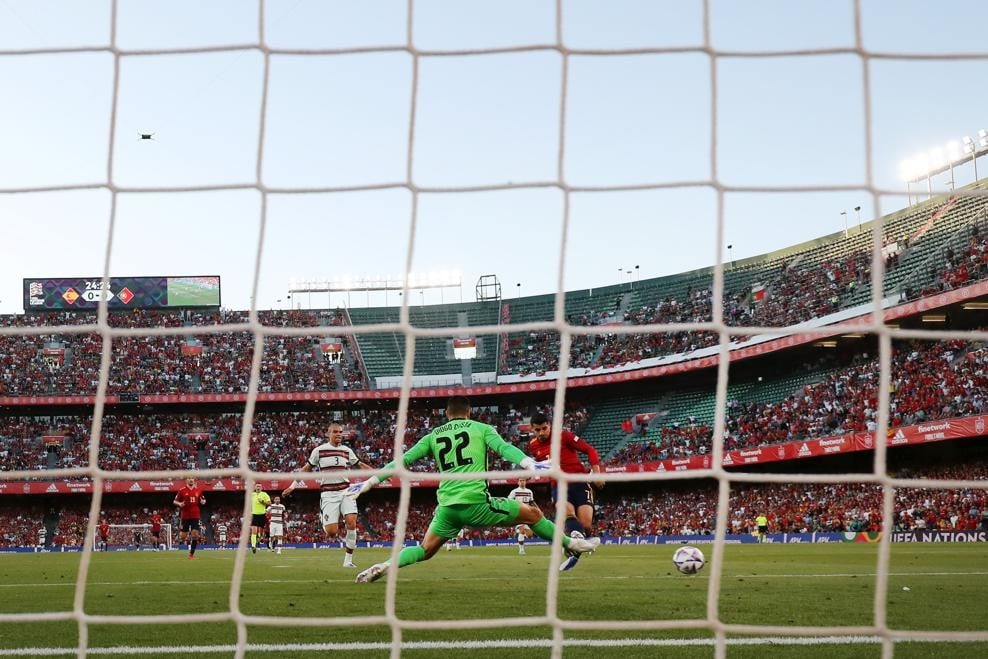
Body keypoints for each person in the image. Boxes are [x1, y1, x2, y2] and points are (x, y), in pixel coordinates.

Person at [348, 396, 600, 584]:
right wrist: (528, 462)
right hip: (476, 502)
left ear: (447, 414)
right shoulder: (482, 429)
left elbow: (401, 462)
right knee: (533, 515)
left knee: (425, 550)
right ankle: (571, 544)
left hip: (446, 507)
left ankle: (385, 565)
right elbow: (503, 448)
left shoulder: (433, 436)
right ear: (469, 412)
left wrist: (370, 481)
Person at [283, 422, 373, 568]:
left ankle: (348, 560)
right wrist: (293, 485)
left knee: (351, 522)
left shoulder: (346, 450)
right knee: (332, 532)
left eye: (340, 432)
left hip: (346, 491)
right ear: (328, 434)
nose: (339, 434)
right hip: (328, 494)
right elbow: (306, 469)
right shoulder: (319, 451)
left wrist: (379, 474)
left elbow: (360, 465)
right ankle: (324, 516)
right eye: (335, 432)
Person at [527, 412, 603, 571]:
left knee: (586, 524)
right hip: (559, 485)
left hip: (580, 482)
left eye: (544, 428)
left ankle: (575, 552)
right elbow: (541, 465)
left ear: (550, 425)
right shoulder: (533, 446)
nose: (541, 433)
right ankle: (575, 545)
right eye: (537, 430)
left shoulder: (564, 436)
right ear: (532, 429)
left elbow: (590, 450)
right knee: (567, 512)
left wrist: (596, 473)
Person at [173, 476, 206, 559]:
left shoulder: (199, 490)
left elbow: (203, 500)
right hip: (185, 516)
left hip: (195, 515)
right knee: (183, 537)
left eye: (192, 478)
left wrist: (203, 502)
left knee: (195, 534)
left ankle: (191, 554)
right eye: (189, 478)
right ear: (186, 480)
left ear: (194, 480)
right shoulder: (182, 490)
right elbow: (174, 501)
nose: (191, 479)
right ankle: (183, 540)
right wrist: (179, 504)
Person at [508, 478, 536, 556]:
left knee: (530, 535)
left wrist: (538, 510)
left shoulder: (529, 492)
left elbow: (532, 502)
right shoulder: (514, 491)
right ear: (518, 482)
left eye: (523, 480)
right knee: (522, 529)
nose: (522, 482)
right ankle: (521, 550)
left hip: (527, 514)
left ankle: (517, 531)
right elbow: (509, 501)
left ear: (525, 482)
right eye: (520, 480)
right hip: (518, 513)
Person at [249, 483, 271, 554]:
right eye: (257, 486)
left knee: (261, 531)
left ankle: (260, 538)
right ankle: (253, 546)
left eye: (259, 486)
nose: (258, 487)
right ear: (255, 487)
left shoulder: (264, 494)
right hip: (254, 515)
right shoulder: (252, 495)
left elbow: (269, 503)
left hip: (262, 515)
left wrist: (263, 501)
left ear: (261, 488)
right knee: (254, 531)